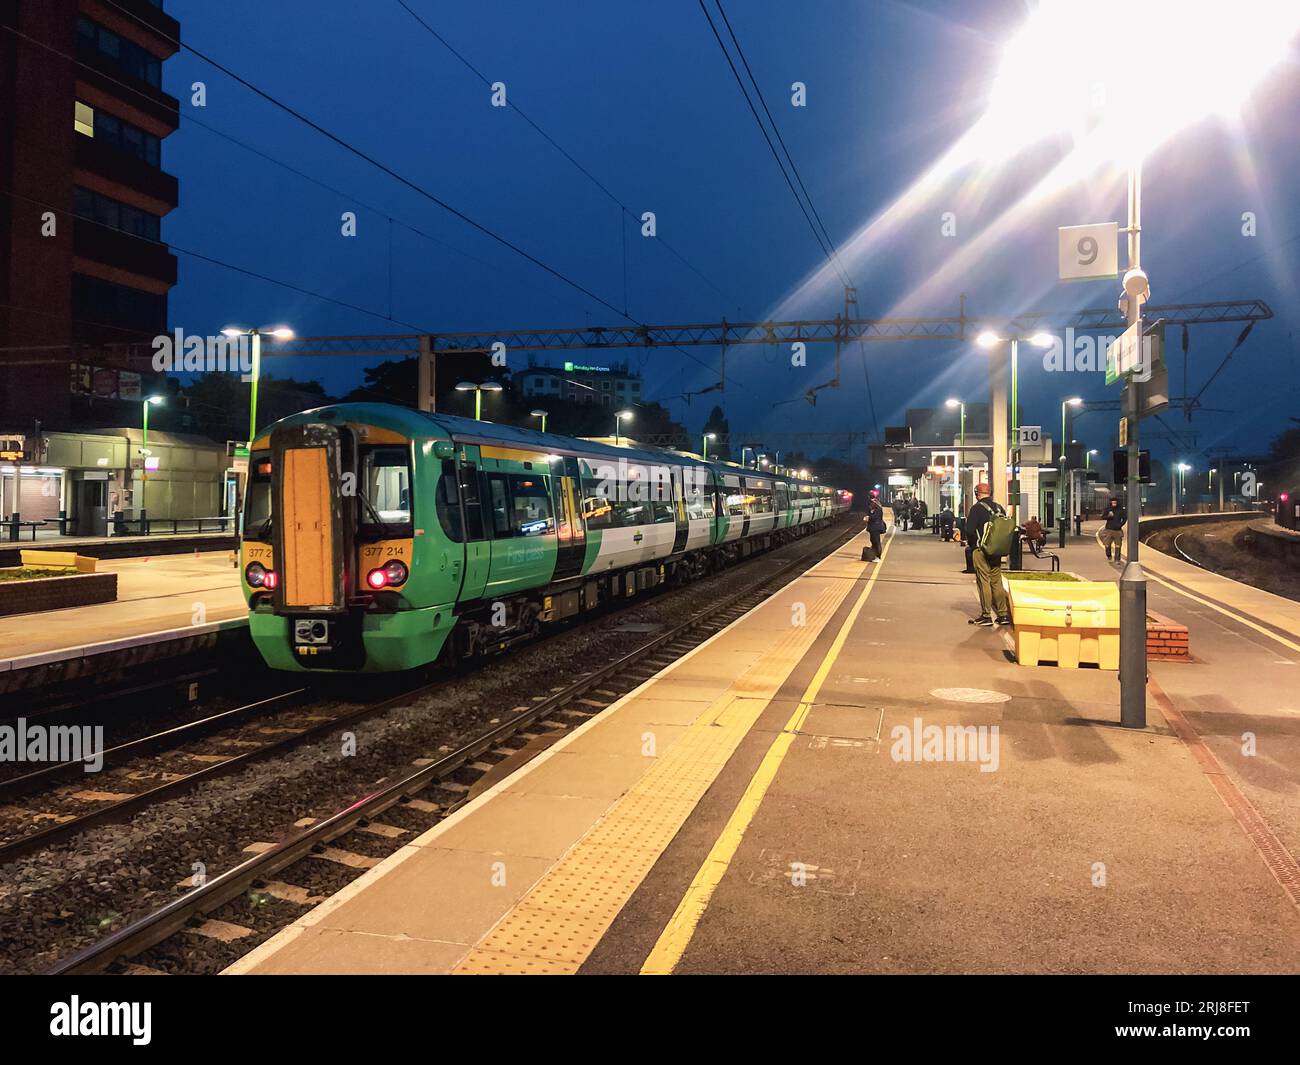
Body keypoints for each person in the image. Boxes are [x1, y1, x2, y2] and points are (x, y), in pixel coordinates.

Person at [966, 482, 1010, 627]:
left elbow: (970, 530)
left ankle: (986, 615)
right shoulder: (999, 508)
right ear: (990, 493)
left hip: (981, 550)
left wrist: (974, 546)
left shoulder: (976, 509)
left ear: (977, 493)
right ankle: (1003, 614)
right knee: (996, 580)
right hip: (997, 550)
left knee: (983, 580)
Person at [1100, 496, 1126, 562]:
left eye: (1115, 503)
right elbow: (1102, 517)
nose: (1114, 504)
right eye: (1113, 503)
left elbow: (1125, 518)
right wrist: (1109, 516)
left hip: (1118, 530)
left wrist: (1120, 524)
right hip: (1109, 529)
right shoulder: (1108, 509)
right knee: (1107, 544)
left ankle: (1117, 559)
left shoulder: (1120, 510)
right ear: (1111, 503)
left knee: (1118, 546)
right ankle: (1109, 555)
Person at [864, 491, 886, 561]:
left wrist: (868, 518)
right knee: (874, 541)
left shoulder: (875, 506)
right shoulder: (877, 504)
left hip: (875, 527)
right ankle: (875, 555)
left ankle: (878, 557)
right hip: (875, 526)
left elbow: (875, 516)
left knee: (876, 542)